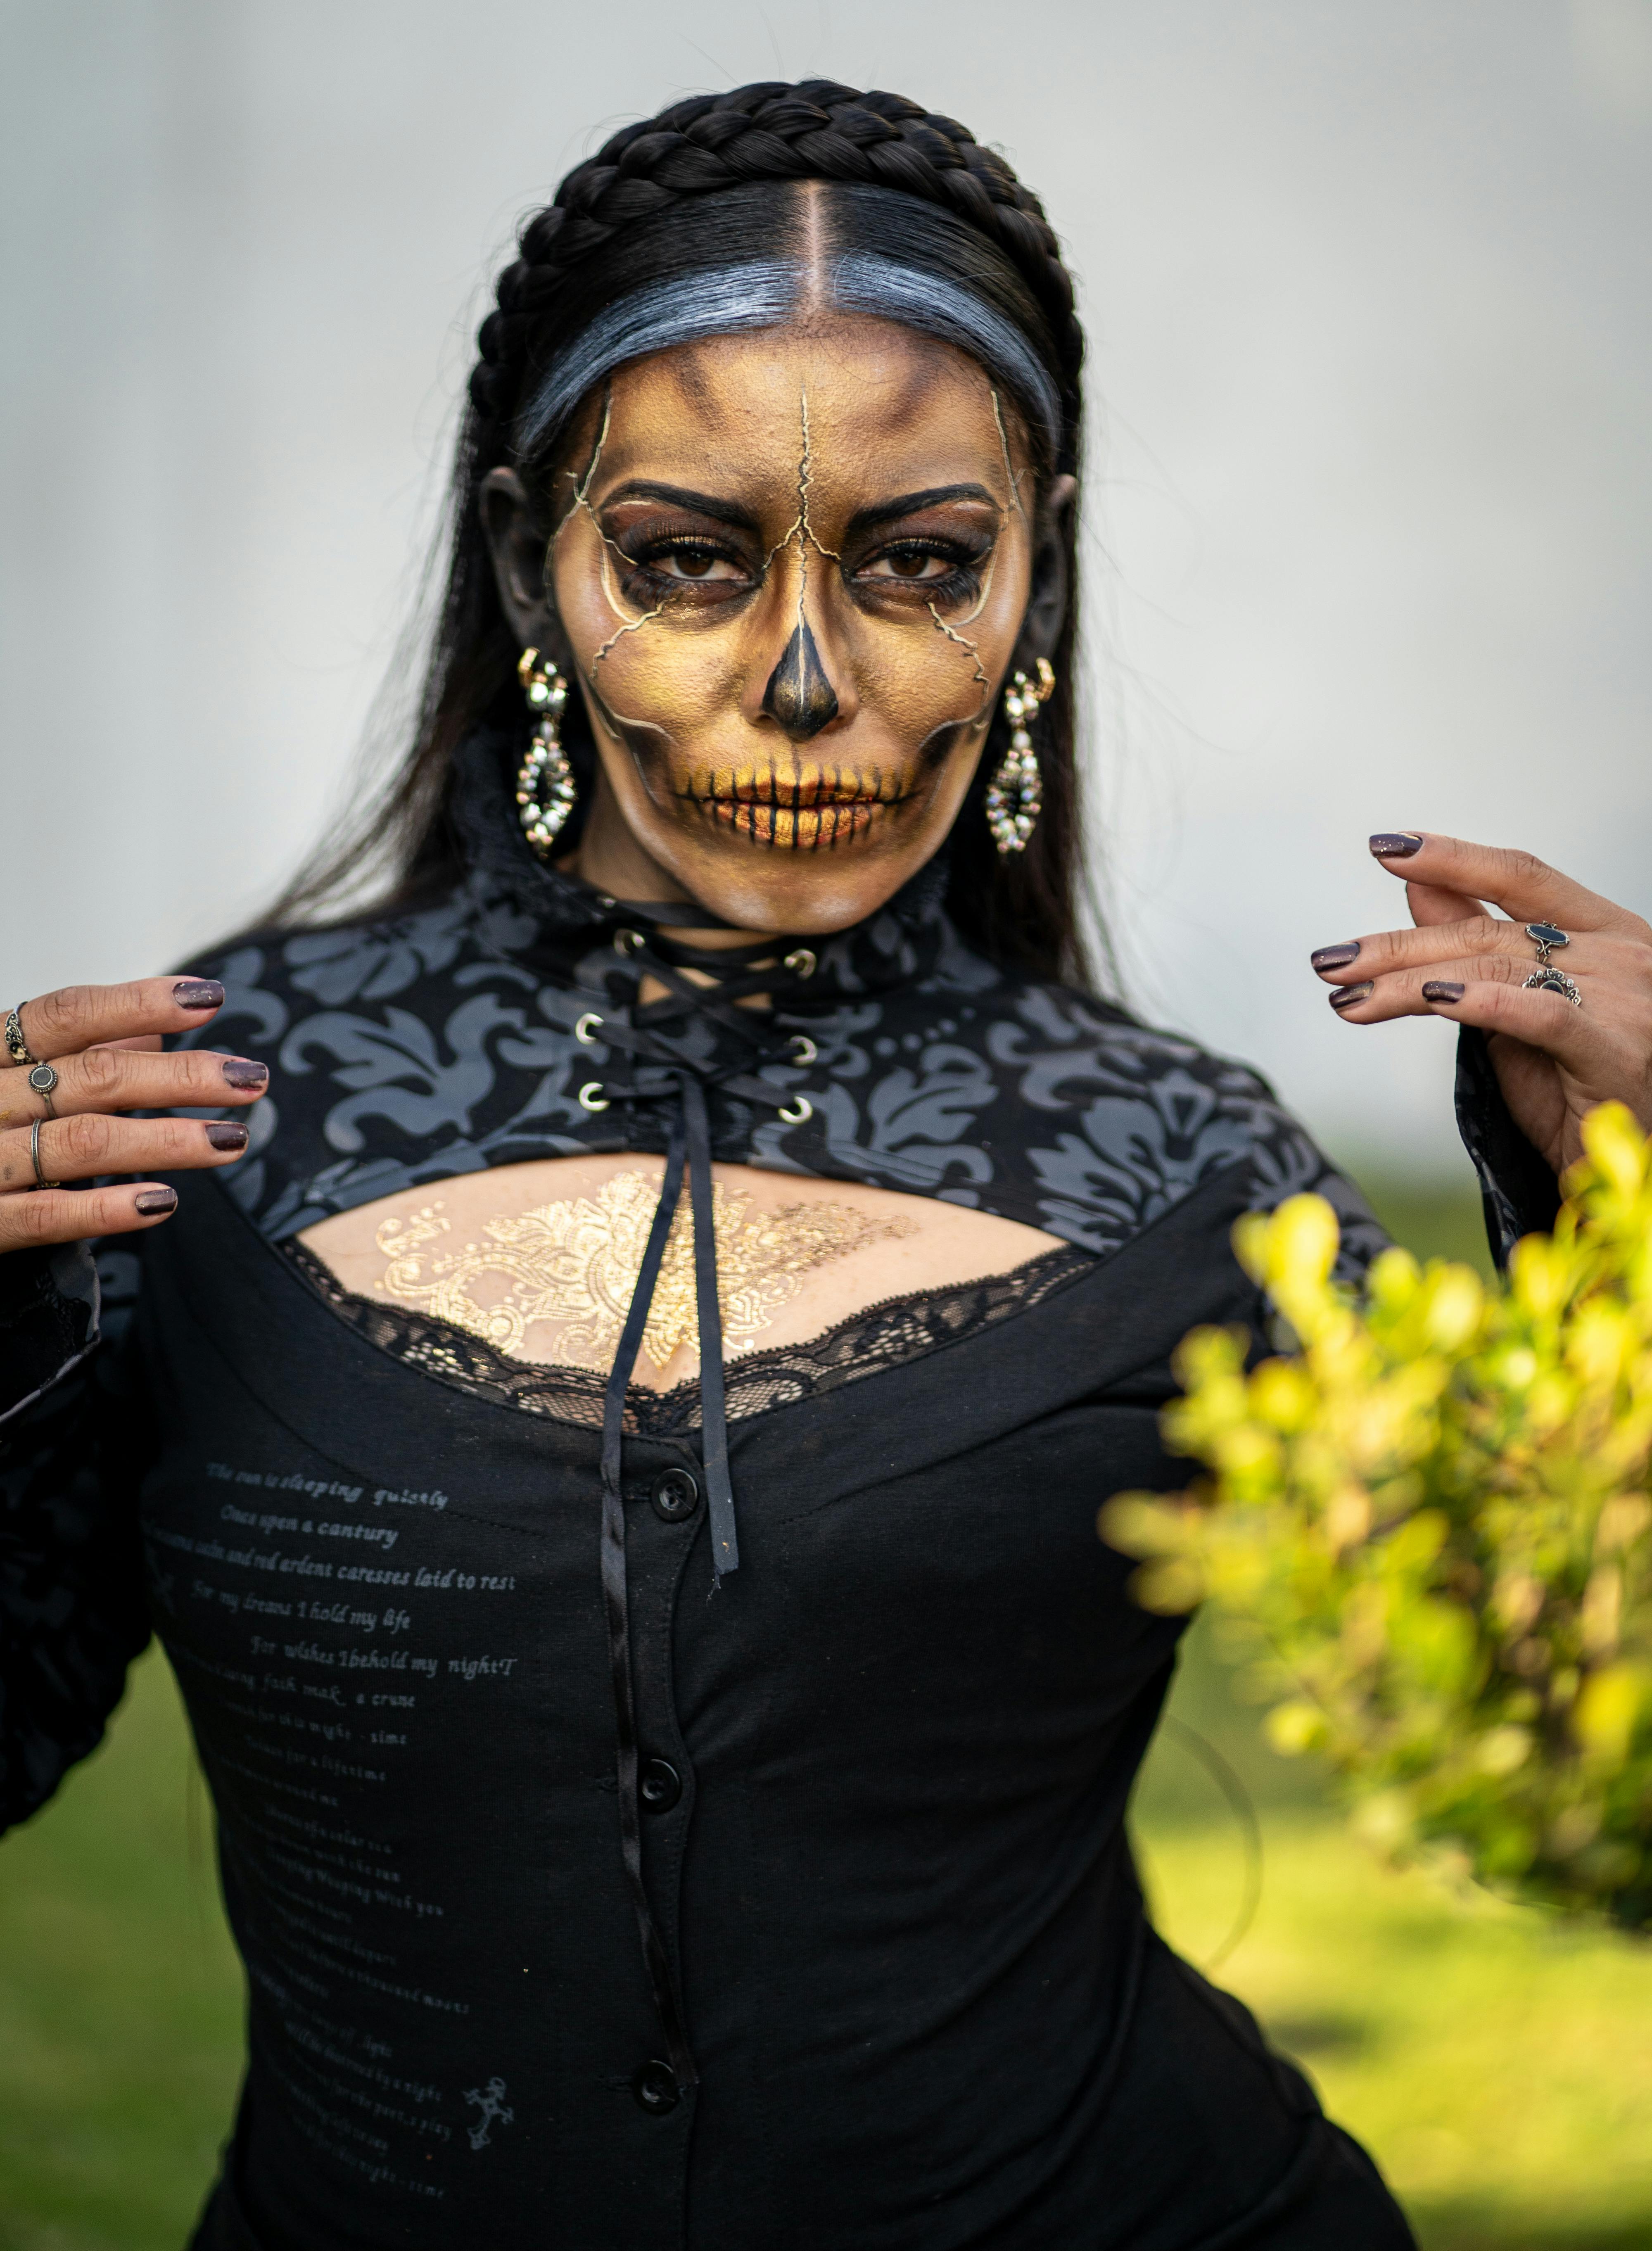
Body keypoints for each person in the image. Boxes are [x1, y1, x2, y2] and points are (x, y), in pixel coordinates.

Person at [2, 80, 1648, 2251]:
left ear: (1037, 566)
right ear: (530, 560)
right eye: (684, 561)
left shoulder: (1184, 1165)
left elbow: (1576, 1765)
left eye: (922, 566)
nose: (804, 681)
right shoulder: (196, 1118)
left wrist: (1621, 1256)